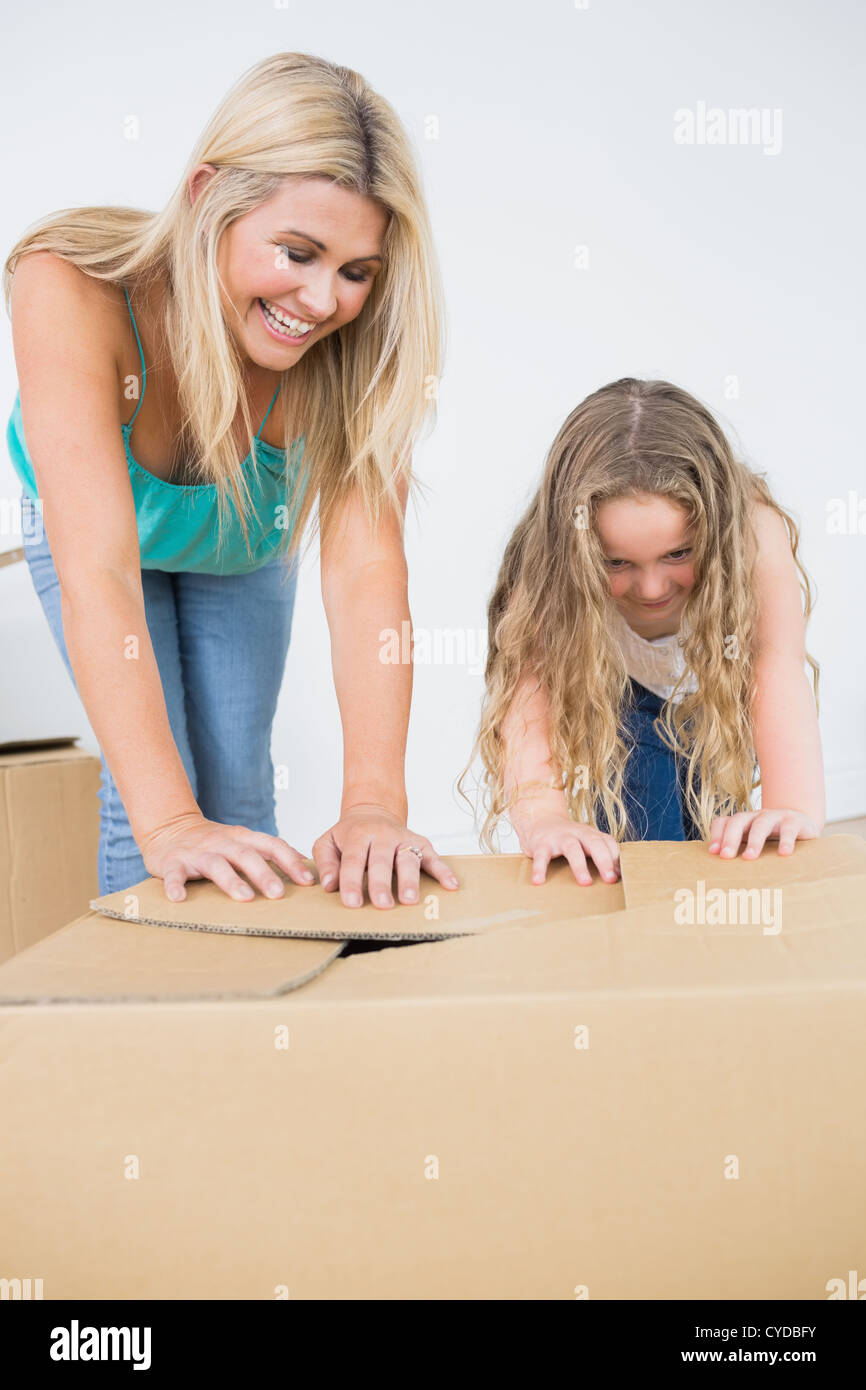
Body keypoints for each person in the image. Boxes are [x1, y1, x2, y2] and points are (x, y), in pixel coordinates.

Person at [4, 51, 460, 911]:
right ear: (207, 194)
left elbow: (367, 574)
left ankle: (254, 1025)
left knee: (240, 788)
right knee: (154, 795)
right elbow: (98, 573)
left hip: (244, 533)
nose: (323, 301)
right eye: (297, 252)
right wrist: (172, 823)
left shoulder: (355, 350)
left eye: (356, 270)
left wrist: (373, 805)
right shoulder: (66, 284)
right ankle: (157, 1025)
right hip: (101, 529)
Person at [457, 377, 824, 885]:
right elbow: (530, 700)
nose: (651, 588)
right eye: (617, 563)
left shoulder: (754, 532)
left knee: (719, 843)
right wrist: (546, 819)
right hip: (618, 695)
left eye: (678, 554)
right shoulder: (546, 563)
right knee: (651, 855)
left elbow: (775, 664)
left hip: (711, 691)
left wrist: (792, 806)